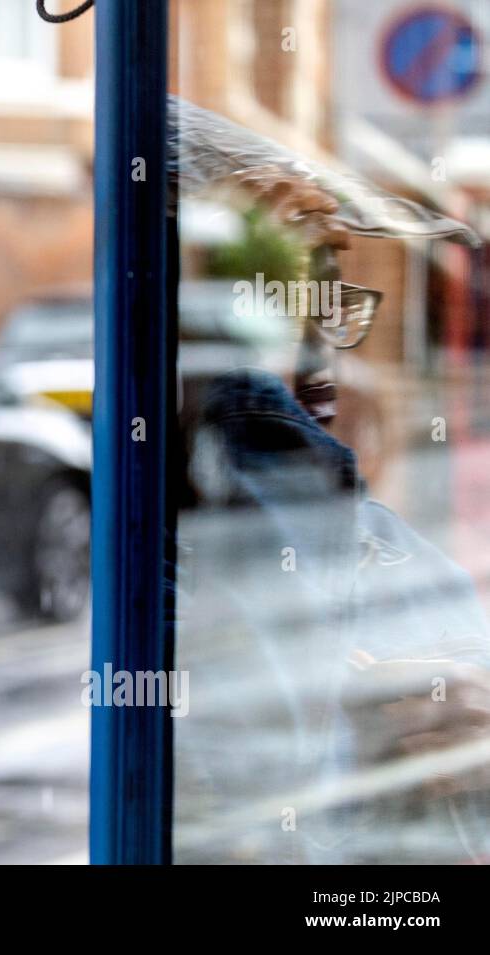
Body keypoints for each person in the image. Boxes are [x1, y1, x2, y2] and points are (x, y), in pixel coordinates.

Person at [172, 172, 490, 863]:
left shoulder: (393, 550)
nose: (328, 357)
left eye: (333, 308)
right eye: (299, 307)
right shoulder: (163, 560)